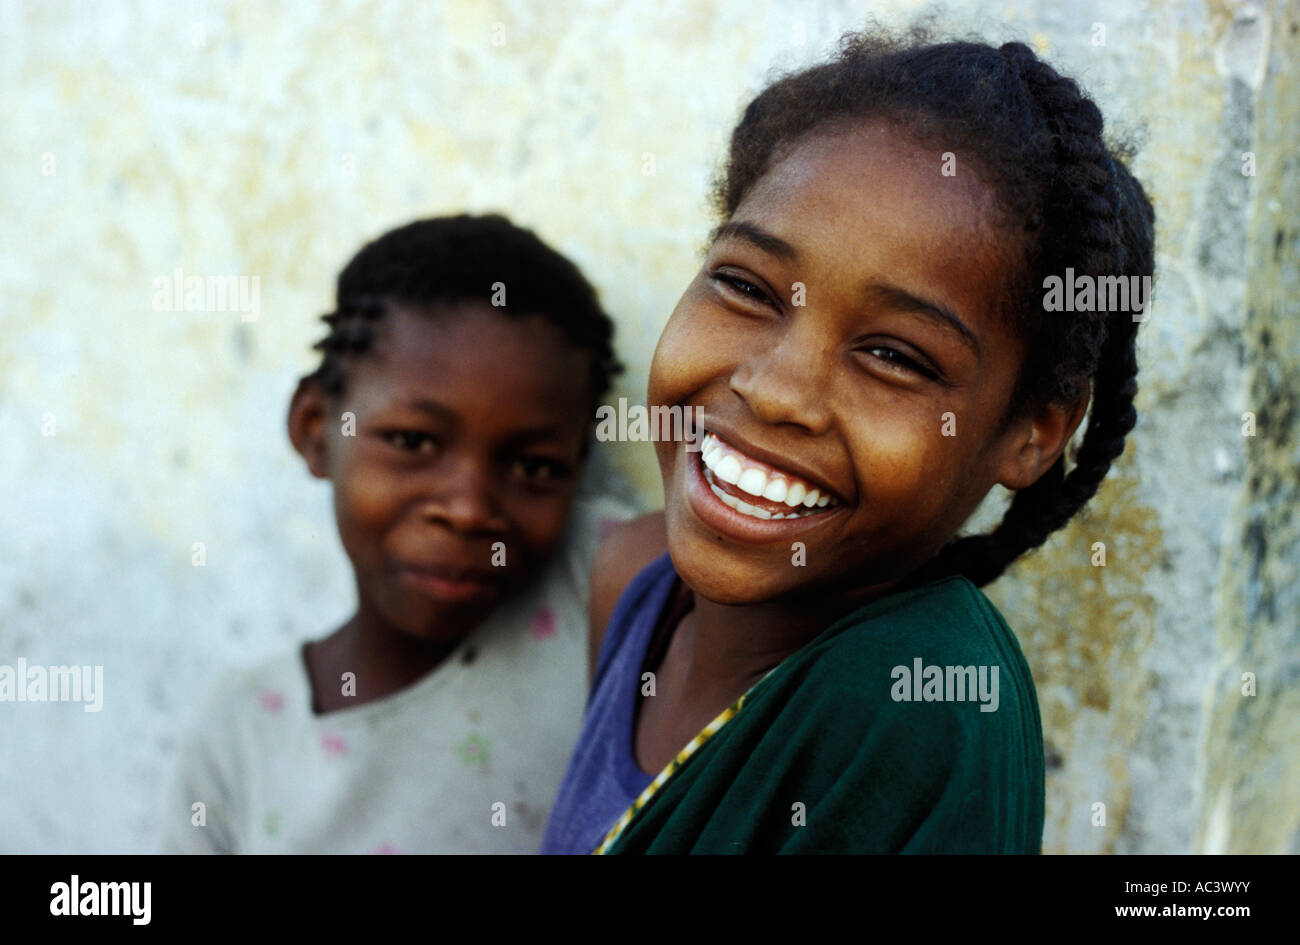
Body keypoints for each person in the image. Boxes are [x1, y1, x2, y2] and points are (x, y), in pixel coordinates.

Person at [541, 30, 1155, 854]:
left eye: (894, 355)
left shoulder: (917, 705)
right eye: (746, 286)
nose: (775, 389)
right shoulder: (636, 588)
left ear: (1034, 431)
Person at [163, 214, 638, 853]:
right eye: (413, 442)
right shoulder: (243, 735)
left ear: (579, 466)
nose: (468, 510)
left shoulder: (604, 587)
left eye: (534, 466)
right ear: (314, 427)